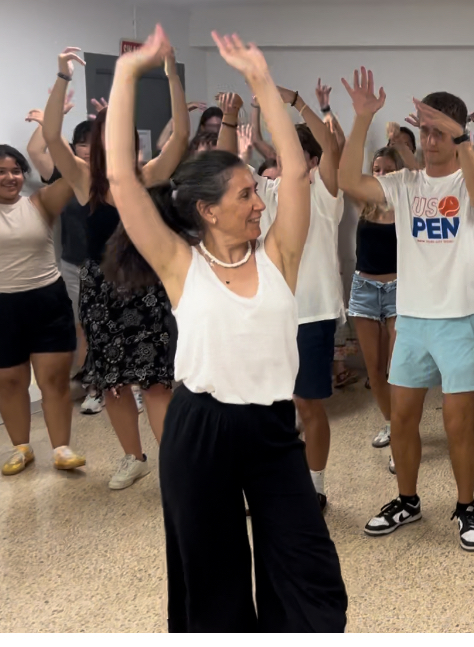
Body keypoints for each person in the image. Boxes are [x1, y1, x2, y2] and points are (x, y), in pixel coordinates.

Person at [106, 27, 348, 631]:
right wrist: (127, 74)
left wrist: (262, 81)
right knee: (211, 579)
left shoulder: (278, 258)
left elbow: (294, 175)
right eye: (245, 195)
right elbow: (121, 182)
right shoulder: (179, 263)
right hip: (200, 429)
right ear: (208, 210)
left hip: (271, 429)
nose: (259, 203)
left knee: (309, 569)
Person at [338, 67, 474, 552]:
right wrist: (363, 117)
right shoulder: (405, 184)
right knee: (403, 418)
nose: (428, 139)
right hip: (412, 320)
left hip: (461, 319)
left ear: (455, 133)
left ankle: (467, 505)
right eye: (424, 129)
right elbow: (348, 181)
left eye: (437, 130)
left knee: (457, 425)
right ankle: (407, 500)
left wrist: (462, 138)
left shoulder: (473, 178)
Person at [42, 43, 190, 490]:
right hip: (100, 291)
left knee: (155, 383)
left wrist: (171, 74)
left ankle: (173, 466)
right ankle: (133, 456)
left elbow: (181, 136)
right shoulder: (86, 179)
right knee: (112, 383)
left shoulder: (148, 176)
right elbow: (51, 137)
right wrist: (62, 76)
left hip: (147, 289)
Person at [217, 80, 345, 511]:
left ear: (309, 160)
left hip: (312, 313)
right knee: (269, 404)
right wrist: (230, 119)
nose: (282, 158)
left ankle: (315, 484)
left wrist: (296, 102)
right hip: (268, 313)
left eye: (294, 152)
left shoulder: (326, 192)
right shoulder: (265, 193)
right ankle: (271, 482)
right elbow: (221, 167)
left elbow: (332, 145)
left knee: (308, 404)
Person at [0, 110, 86, 475]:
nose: (10, 177)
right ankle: (21, 447)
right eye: (0, 171)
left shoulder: (41, 203)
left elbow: (79, 172)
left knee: (53, 380)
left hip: (45, 301)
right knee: (10, 381)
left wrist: (52, 131)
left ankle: (62, 448)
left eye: (16, 170)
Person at [25, 107, 102, 414]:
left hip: (111, 266)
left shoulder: (110, 177)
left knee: (105, 326)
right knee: (82, 326)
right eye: (82, 142)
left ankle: (120, 385)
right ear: (73, 146)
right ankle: (92, 385)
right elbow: (35, 149)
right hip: (73, 264)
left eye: (94, 142)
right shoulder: (62, 177)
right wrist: (51, 117)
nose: (87, 148)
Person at [347, 146, 403, 454]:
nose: (380, 174)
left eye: (387, 168)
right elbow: (347, 173)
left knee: (398, 371)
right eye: (376, 168)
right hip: (364, 289)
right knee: (375, 371)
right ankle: (393, 424)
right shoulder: (364, 203)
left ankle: (403, 434)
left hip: (397, 290)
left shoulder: (407, 205)